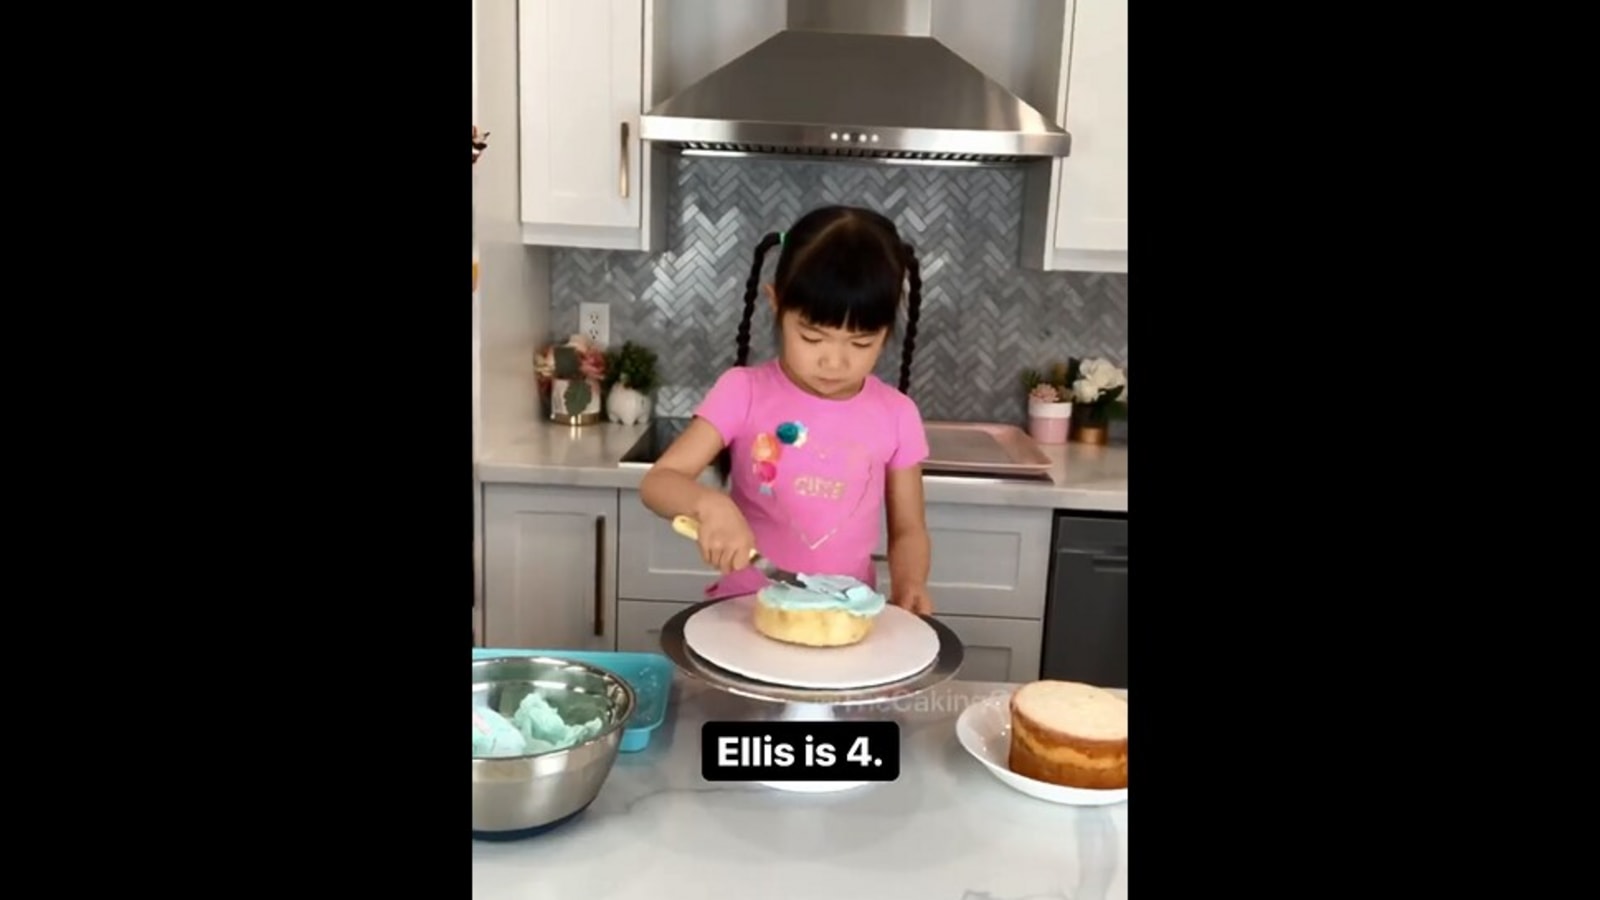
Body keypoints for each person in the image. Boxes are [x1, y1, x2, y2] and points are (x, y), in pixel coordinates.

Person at [638, 204, 934, 615]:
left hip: (844, 616)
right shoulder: (742, 391)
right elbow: (659, 483)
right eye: (813, 338)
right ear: (776, 305)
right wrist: (709, 505)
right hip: (743, 612)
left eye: (862, 343)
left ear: (887, 330)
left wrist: (910, 582)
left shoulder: (897, 414)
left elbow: (908, 529)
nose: (835, 362)